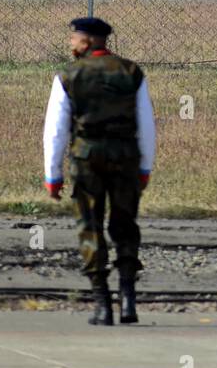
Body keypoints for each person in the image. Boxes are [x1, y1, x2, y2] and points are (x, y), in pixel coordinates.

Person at [43, 17, 155, 325]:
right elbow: (146, 125)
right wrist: (145, 167)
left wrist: (53, 175)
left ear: (89, 41)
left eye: (75, 38)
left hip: (87, 159)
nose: (70, 42)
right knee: (125, 224)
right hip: (126, 159)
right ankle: (129, 299)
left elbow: (56, 131)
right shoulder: (131, 72)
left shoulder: (68, 75)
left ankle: (102, 303)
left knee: (90, 227)